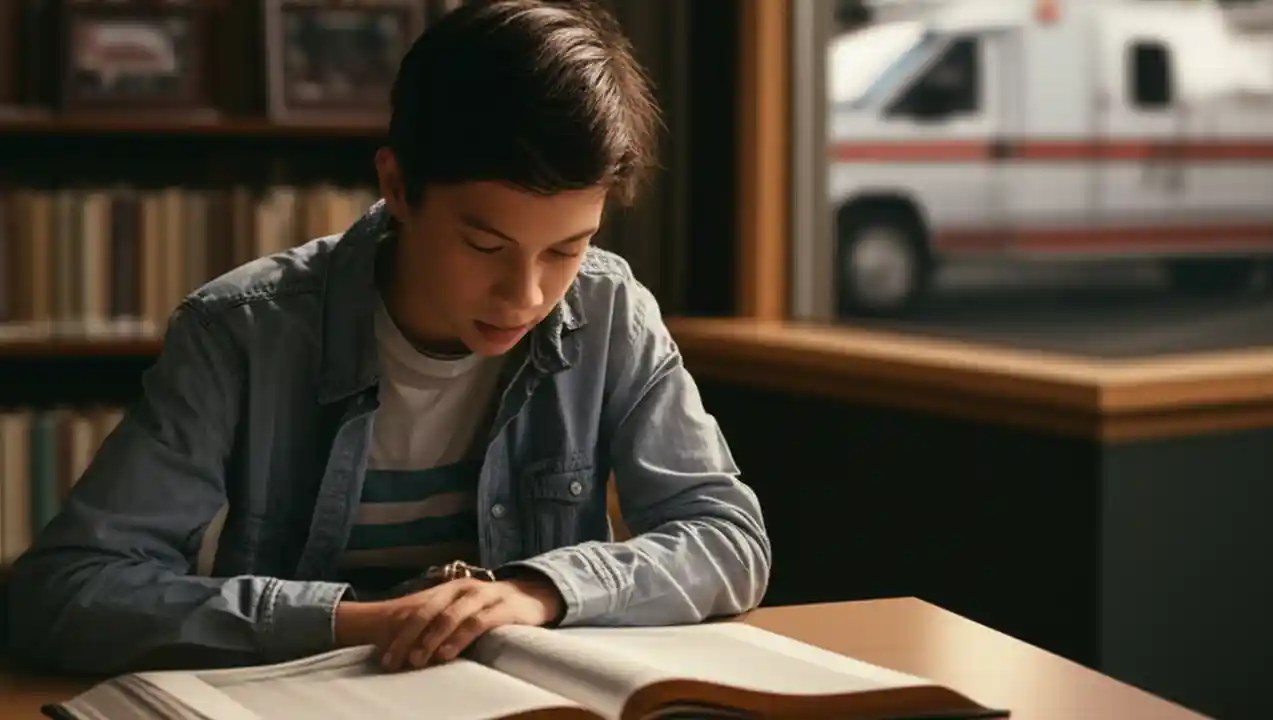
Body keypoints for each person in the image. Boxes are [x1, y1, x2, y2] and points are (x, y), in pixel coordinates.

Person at [5, 0, 770, 675]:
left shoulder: (609, 311)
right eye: (485, 245)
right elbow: (68, 589)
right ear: (398, 186)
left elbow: (728, 539)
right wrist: (358, 624)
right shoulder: (242, 331)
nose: (527, 294)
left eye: (566, 249)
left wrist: (536, 593)